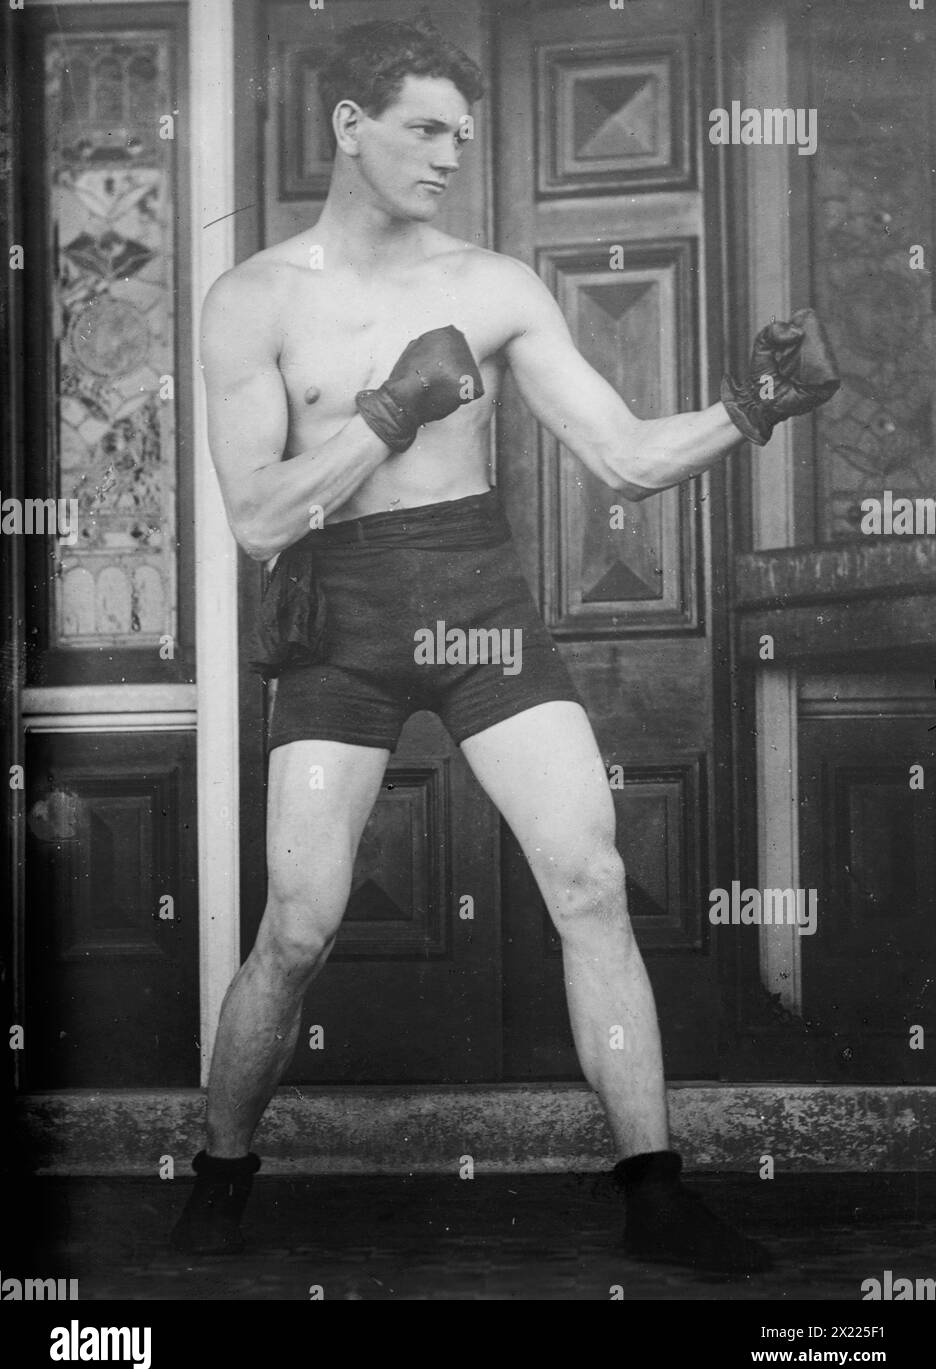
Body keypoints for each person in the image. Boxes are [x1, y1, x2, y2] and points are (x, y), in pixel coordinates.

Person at [171, 18, 838, 1273]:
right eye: (424, 128)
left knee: (589, 877)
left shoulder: (490, 284)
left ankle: (653, 1191)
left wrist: (754, 410)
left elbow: (624, 453)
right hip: (338, 621)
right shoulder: (253, 296)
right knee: (301, 925)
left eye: (462, 136)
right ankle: (218, 1171)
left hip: (478, 602)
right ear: (348, 126)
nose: (449, 156)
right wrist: (387, 410)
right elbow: (261, 519)